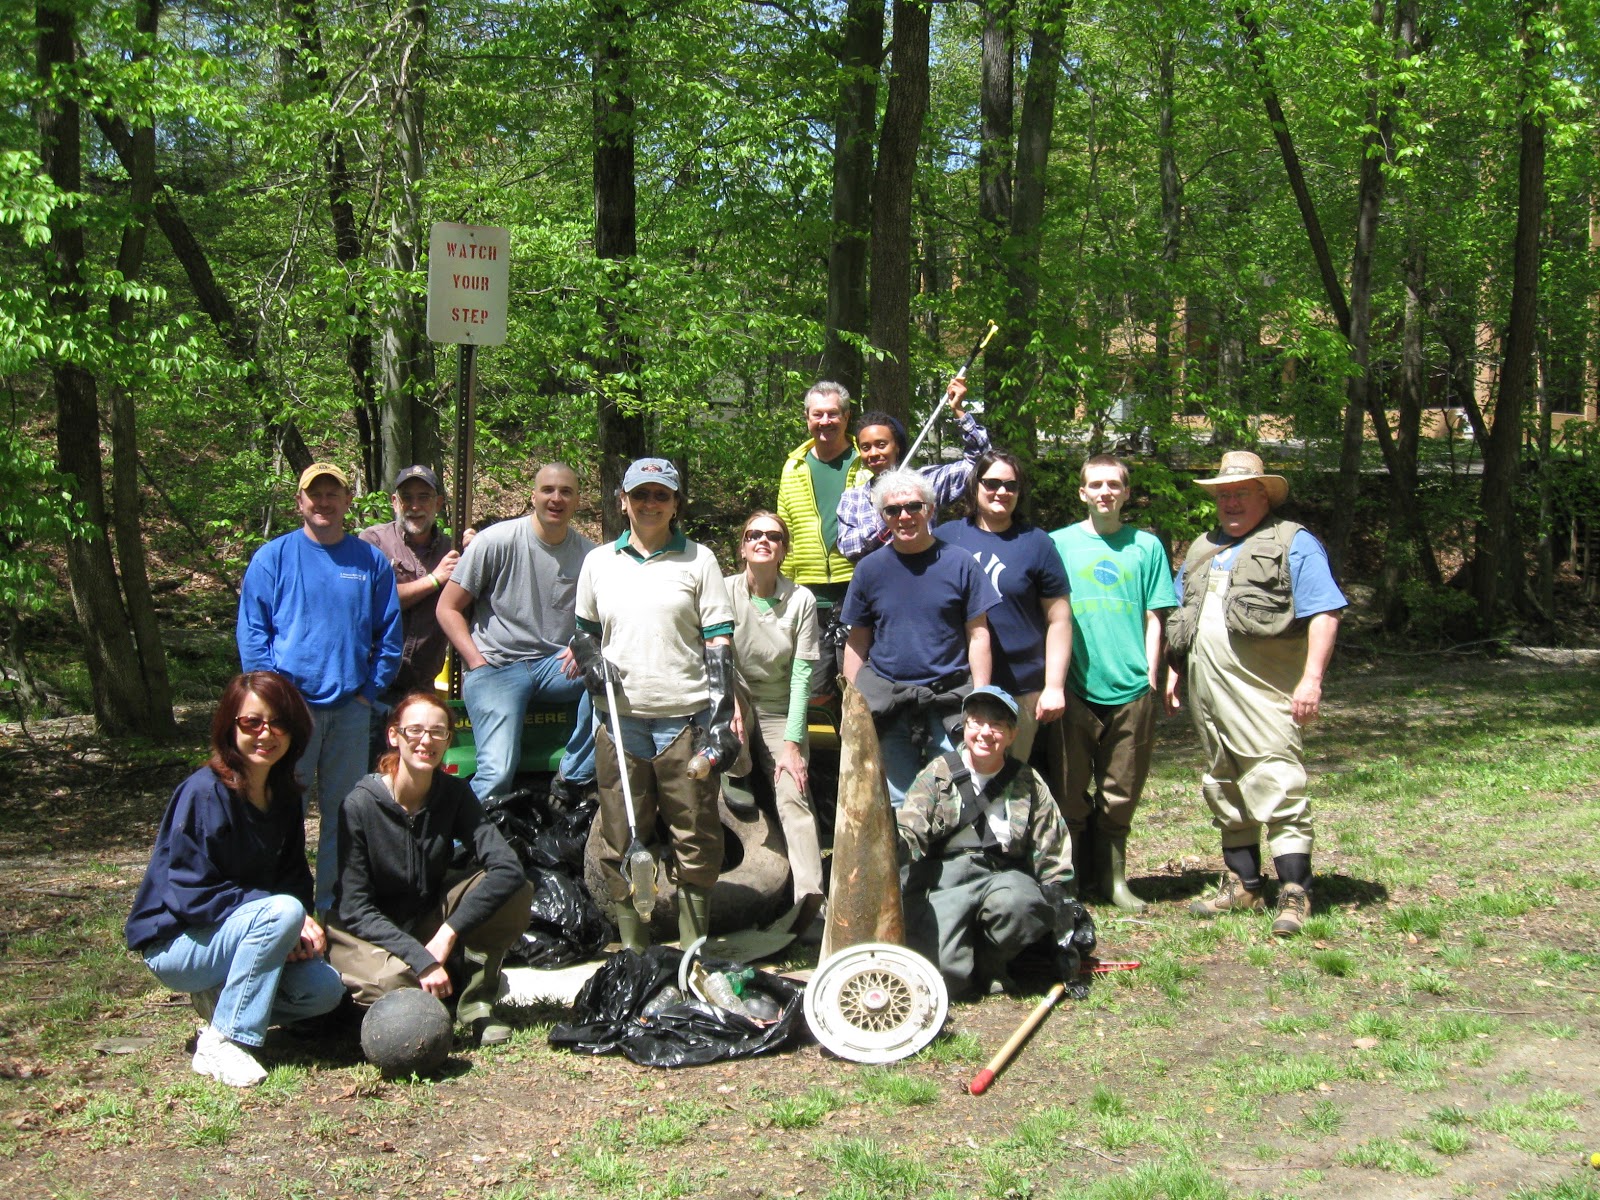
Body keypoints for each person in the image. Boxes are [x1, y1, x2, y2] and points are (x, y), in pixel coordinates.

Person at [125, 672, 345, 1088]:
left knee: (323, 990)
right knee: (282, 911)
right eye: (252, 722)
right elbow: (190, 893)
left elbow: (293, 877)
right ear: (230, 726)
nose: (267, 734)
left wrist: (297, 929)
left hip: (248, 931)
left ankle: (219, 1005)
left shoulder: (284, 795)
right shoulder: (203, 793)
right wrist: (283, 918)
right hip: (178, 943)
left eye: (279, 723)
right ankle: (223, 1041)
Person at [1163, 451, 1346, 938]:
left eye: (1241, 493)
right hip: (1207, 696)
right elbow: (1184, 614)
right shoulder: (1202, 548)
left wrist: (1311, 680)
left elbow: (1325, 611)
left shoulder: (1293, 542)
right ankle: (1243, 884)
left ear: (1264, 495)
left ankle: (1295, 892)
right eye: (1223, 495)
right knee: (1223, 783)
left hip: (1265, 693)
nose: (1231, 502)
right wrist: (1173, 670)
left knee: (1278, 782)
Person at [570, 458, 740, 952]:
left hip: (684, 722)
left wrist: (720, 721)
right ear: (622, 501)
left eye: (661, 495)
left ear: (676, 503)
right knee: (621, 838)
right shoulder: (598, 562)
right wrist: (591, 660)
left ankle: (692, 955)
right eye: (640, 494)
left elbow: (719, 643)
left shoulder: (700, 560)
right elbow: (584, 633)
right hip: (620, 722)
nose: (650, 504)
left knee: (696, 836)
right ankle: (635, 954)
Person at [237, 462, 403, 912]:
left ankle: (333, 911)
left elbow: (389, 635)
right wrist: (273, 700)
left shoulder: (369, 561)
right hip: (288, 714)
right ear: (300, 502)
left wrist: (369, 691)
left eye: (333, 494)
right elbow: (253, 633)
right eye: (315, 494)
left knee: (343, 816)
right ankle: (279, 910)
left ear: (348, 501)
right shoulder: (273, 558)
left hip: (350, 709)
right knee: (281, 810)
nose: (324, 502)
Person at [327, 692, 535, 1046]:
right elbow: (355, 908)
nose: (426, 741)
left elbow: (507, 868)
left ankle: (476, 1001)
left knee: (515, 891)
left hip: (424, 919)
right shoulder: (360, 805)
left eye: (438, 732)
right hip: (365, 931)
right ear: (394, 736)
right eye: (415, 730)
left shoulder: (453, 793)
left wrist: (447, 933)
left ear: (448, 740)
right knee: (393, 984)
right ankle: (427, 985)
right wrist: (420, 957)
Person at [1049, 454, 1179, 910]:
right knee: (1068, 789)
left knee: (1122, 789)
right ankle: (1070, 878)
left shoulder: (1147, 546)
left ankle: (1114, 879)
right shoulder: (1058, 544)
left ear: (1126, 493)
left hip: (1131, 686)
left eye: (1114, 485)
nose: (1105, 492)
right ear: (1082, 493)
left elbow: (1156, 615)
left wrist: (1150, 672)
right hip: (1074, 685)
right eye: (1096, 484)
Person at [896, 686, 1075, 999]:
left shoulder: (1027, 781)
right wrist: (894, 851)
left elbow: (1052, 846)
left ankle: (992, 963)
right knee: (944, 978)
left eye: (997, 725)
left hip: (1000, 876)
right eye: (976, 722)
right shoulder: (937, 774)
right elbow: (909, 830)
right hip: (943, 880)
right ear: (964, 728)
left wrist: (1062, 909)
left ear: (1012, 734)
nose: (985, 733)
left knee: (1023, 904)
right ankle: (960, 957)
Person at [436, 463, 597, 804]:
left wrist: (585, 643)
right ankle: (458, 837)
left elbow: (605, 617)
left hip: (555, 667)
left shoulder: (590, 556)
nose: (556, 499)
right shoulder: (495, 541)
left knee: (612, 677)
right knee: (496, 772)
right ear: (533, 496)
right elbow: (447, 608)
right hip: (497, 666)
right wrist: (476, 662)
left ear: (577, 500)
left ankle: (572, 773)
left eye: (566, 492)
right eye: (548, 490)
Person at [841, 469, 997, 807]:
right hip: (889, 702)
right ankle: (906, 845)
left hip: (949, 700)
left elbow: (978, 635)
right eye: (893, 510)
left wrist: (981, 696)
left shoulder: (960, 563)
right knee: (899, 801)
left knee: (957, 796)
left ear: (929, 509)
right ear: (883, 517)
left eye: (913, 506)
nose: (904, 516)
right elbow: (857, 641)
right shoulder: (869, 569)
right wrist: (851, 704)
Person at [722, 511, 825, 930]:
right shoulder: (723, 591)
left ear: (783, 549)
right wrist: (729, 705)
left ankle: (811, 905)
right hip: (731, 699)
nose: (763, 540)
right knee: (731, 722)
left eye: (773, 536)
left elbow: (802, 677)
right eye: (754, 534)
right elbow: (715, 656)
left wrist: (793, 745)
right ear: (742, 546)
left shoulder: (801, 600)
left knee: (794, 792)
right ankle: (738, 770)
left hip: (780, 708)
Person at [935, 450, 1071, 762]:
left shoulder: (1037, 543)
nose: (1002, 491)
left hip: (1020, 687)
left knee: (1009, 778)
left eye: (1011, 485)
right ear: (975, 485)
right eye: (992, 483)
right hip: (954, 683)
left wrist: (1053, 686)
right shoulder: (946, 538)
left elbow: (1060, 620)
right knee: (956, 776)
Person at [776, 381, 868, 701]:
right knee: (813, 689)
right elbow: (784, 530)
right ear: (807, 418)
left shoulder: (865, 461)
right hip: (808, 593)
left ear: (846, 417)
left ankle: (856, 735)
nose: (825, 421)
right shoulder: (794, 466)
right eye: (818, 414)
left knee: (857, 687)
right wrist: (781, 586)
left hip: (856, 587)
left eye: (833, 414)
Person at [836, 378, 991, 562]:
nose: (874, 453)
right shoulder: (853, 498)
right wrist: (886, 512)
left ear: (897, 447)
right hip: (880, 579)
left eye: (881, 445)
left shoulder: (926, 482)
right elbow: (849, 548)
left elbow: (979, 463)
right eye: (866, 447)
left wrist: (958, 411)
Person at [358, 465, 459, 702]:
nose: (415, 506)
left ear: (438, 503)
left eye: (424, 497)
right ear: (395, 502)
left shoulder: (452, 550)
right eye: (407, 498)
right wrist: (434, 579)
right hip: (372, 684)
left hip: (423, 684)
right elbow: (375, 602)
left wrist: (478, 548)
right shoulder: (374, 541)